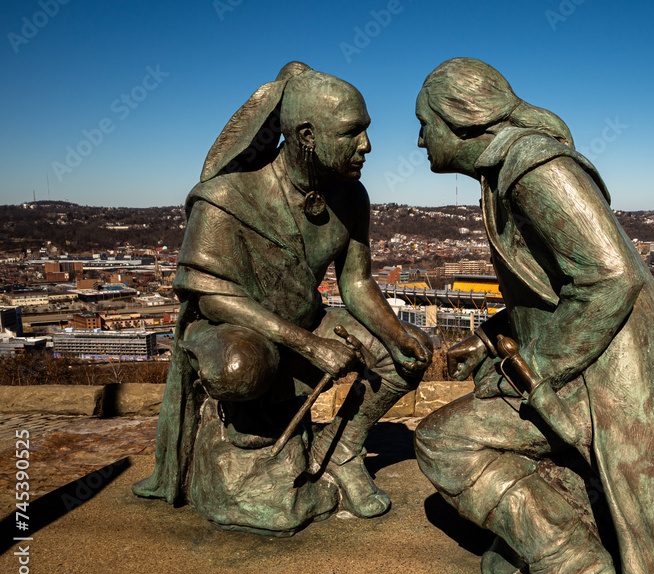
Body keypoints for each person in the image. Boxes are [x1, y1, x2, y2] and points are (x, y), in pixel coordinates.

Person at [412, 58, 654, 574]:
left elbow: (610, 279)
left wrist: (534, 370)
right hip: (597, 360)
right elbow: (551, 289)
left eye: (425, 124)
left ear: (461, 122)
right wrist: (492, 335)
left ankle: (565, 557)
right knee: (481, 410)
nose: (419, 138)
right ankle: (570, 536)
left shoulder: (532, 168)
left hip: (604, 381)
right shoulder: (509, 171)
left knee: (444, 441)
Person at [133, 62, 431, 536]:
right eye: (352, 133)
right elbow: (213, 300)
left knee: (407, 354)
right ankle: (239, 445)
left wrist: (396, 335)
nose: (367, 147)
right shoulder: (226, 198)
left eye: (366, 132)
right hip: (233, 330)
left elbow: (355, 284)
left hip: (306, 319)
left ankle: (344, 449)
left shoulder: (351, 199)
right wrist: (310, 346)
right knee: (241, 369)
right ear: (308, 136)